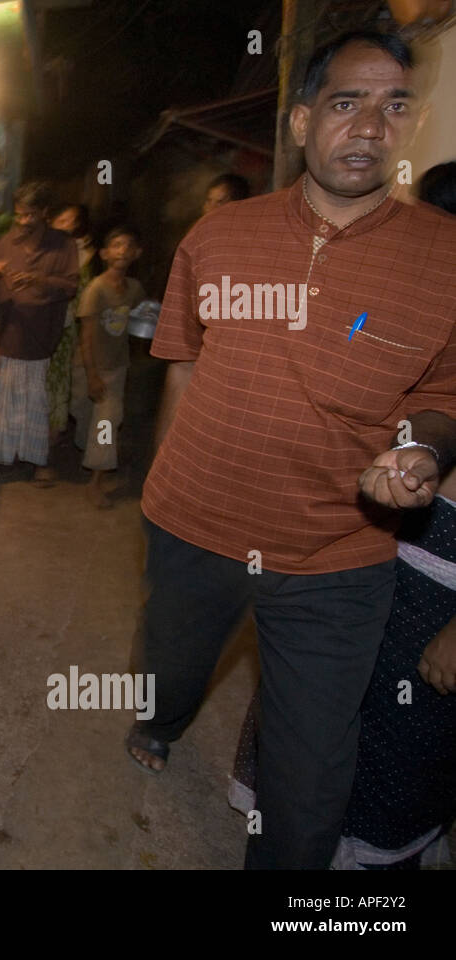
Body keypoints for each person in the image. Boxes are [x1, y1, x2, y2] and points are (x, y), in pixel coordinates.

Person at [124, 30, 456, 869]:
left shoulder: (445, 261)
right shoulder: (219, 237)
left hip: (337, 557)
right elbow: (182, 369)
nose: (371, 126)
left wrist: (421, 451)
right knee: (170, 665)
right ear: (305, 120)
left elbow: (443, 399)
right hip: (193, 529)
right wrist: (163, 490)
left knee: (310, 770)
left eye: (394, 107)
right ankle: (161, 720)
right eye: (347, 102)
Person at [230, 160, 456, 869]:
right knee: (307, 745)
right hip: (358, 568)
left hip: (434, 608)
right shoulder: (404, 303)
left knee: (393, 780)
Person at [0, 182, 80, 482]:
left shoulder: (63, 245)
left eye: (29, 215)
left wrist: (37, 280)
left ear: (45, 213)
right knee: (10, 398)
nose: (22, 221)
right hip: (11, 333)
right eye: (19, 215)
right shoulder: (9, 242)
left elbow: (71, 286)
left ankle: (38, 459)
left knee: (36, 400)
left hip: (42, 335)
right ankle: (8, 457)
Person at [71, 226, 146, 508]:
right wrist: (91, 375)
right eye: (116, 245)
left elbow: (139, 321)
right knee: (83, 415)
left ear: (137, 253)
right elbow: (86, 335)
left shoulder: (135, 289)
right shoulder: (96, 290)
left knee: (107, 421)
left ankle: (95, 482)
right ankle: (91, 456)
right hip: (88, 366)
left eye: (128, 246)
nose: (122, 251)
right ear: (104, 253)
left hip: (116, 368)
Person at [46, 204, 96, 452]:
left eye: (70, 221)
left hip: (66, 331)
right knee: (44, 385)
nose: (65, 225)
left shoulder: (83, 256)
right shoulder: (44, 251)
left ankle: (49, 445)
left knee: (59, 384)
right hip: (41, 329)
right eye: (60, 219)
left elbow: (83, 299)